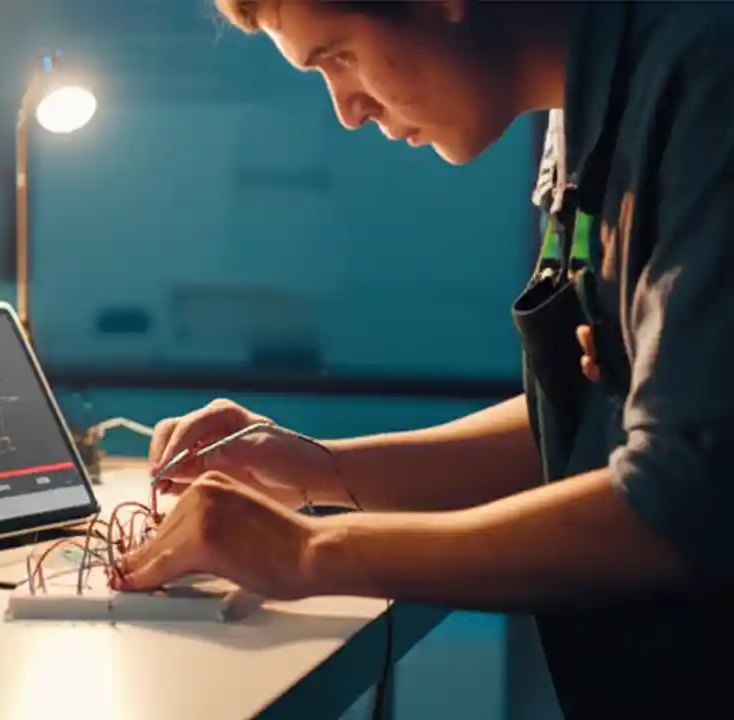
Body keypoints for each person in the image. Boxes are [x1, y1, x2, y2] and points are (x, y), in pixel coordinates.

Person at [112, 1, 734, 715]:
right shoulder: (587, 110)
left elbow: (686, 498)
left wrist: (312, 552)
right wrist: (324, 469)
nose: (345, 110)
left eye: (338, 54)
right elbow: (580, 431)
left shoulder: (709, 83)